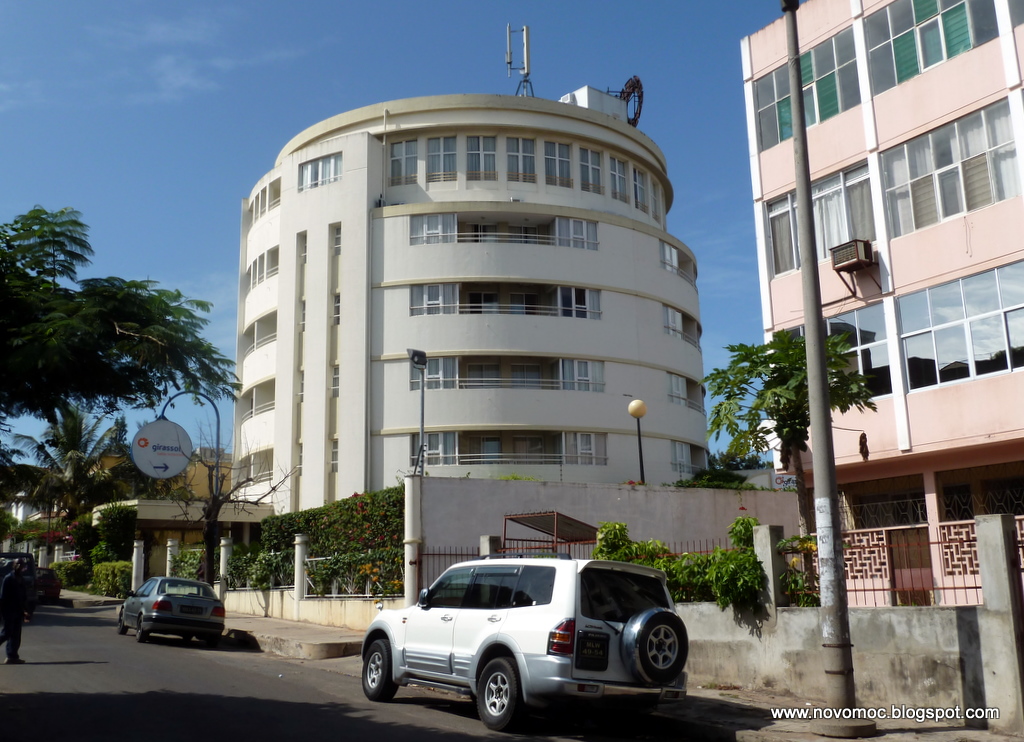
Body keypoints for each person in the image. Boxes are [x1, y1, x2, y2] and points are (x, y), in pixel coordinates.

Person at [0, 559, 30, 664]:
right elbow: (2, 597)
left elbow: (23, 597)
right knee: (6, 633)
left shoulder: (21, 579)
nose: (20, 566)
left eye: (22, 564)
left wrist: (26, 611)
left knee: (16, 635)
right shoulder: (8, 578)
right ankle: (12, 656)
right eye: (17, 564)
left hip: (18, 610)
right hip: (8, 610)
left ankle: (12, 657)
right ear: (13, 565)